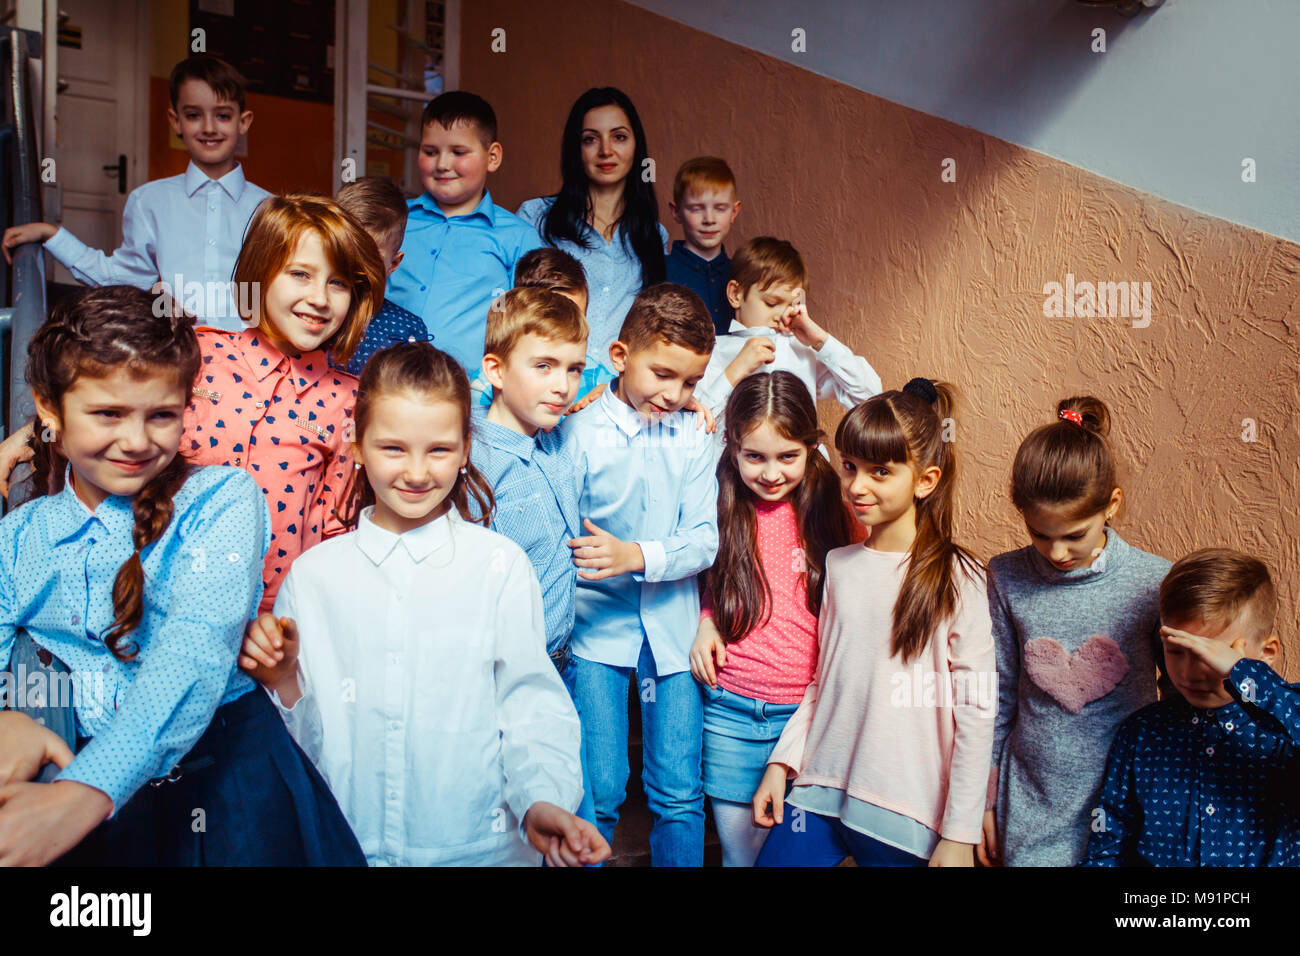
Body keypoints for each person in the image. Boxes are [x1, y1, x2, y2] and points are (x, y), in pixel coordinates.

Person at [0, 285, 363, 866]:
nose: (137, 440)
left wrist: (84, 793)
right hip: (81, 791)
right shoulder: (16, 540)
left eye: (162, 414)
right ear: (49, 408)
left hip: (227, 784)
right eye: (108, 414)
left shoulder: (221, 499)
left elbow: (192, 654)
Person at [238, 342, 608, 866]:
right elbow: (311, 744)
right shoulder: (316, 576)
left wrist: (541, 800)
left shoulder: (498, 565)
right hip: (349, 846)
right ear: (359, 447)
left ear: (464, 451)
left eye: (438, 449)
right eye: (393, 448)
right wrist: (284, 681)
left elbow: (530, 704)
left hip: (479, 851)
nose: (416, 472)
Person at [0, 194, 385, 615]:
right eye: (300, 274)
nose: (320, 299)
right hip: (148, 600)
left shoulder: (350, 401)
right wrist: (27, 436)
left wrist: (293, 621)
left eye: (339, 283)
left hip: (269, 616)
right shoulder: (199, 352)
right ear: (262, 272)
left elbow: (334, 528)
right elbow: (111, 404)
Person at [752, 379, 995, 867]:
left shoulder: (958, 576)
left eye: (880, 471)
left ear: (925, 481)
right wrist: (783, 761)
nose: (857, 486)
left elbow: (976, 710)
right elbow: (825, 679)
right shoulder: (839, 565)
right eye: (850, 467)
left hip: (905, 808)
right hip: (820, 790)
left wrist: (961, 832)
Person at [559, 283, 719, 866]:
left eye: (692, 383)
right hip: (596, 633)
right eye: (663, 374)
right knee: (598, 790)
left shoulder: (697, 435)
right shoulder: (575, 433)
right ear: (620, 357)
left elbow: (704, 538)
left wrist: (637, 556)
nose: (676, 394)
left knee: (678, 793)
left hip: (672, 637)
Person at [981, 397, 1171, 867]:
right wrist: (982, 798)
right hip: (1031, 801)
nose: (1057, 553)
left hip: (1127, 797)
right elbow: (998, 692)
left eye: (1074, 535)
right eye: (1040, 534)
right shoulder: (1005, 576)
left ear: (1112, 505)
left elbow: (1180, 697)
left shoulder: (1153, 582)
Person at [689, 371, 856, 866]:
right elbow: (697, 575)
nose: (771, 473)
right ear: (732, 446)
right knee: (741, 859)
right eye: (754, 457)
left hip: (808, 718)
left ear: (811, 448)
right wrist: (705, 619)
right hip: (730, 711)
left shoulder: (833, 507)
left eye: (788, 456)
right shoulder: (716, 499)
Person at [1, 55, 270, 330]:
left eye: (223, 115)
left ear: (244, 122)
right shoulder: (148, 202)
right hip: (179, 355)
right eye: (193, 115)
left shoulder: (270, 209)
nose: (209, 128)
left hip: (252, 361)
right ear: (175, 121)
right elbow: (122, 278)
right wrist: (53, 235)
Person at [1082, 549, 1296, 866]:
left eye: (1212, 656)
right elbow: (1108, 841)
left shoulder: (1285, 724)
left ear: (1267, 652)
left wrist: (1241, 672)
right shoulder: (1141, 734)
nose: (1191, 672)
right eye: (1178, 651)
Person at [470, 286, 594, 823]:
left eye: (573, 369)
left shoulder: (562, 440)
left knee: (563, 816)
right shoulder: (472, 456)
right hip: (496, 678)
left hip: (563, 666)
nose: (562, 385)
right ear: (495, 370)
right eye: (543, 366)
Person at [518, 87, 669, 383]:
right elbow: (515, 313)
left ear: (636, 146)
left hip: (616, 397)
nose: (605, 150)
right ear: (576, 149)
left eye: (619, 137)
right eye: (590, 139)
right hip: (547, 386)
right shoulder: (535, 217)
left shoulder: (653, 235)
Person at [386, 91, 543, 373]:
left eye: (458, 152)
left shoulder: (518, 237)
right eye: (430, 152)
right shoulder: (394, 219)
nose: (443, 164)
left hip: (467, 393)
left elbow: (530, 325)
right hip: (381, 379)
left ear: (492, 157)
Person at [692, 237, 881, 434]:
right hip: (737, 462)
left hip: (802, 463)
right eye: (771, 303)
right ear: (735, 294)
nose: (782, 315)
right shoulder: (712, 351)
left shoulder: (801, 352)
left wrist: (820, 341)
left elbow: (870, 397)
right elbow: (695, 426)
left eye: (792, 305)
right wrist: (735, 371)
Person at [334, 176, 431, 376]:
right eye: (346, 250)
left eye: (370, 257)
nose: (354, 265)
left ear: (393, 264)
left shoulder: (407, 331)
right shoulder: (313, 312)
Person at [666, 157, 742, 334]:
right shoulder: (659, 271)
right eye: (696, 208)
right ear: (676, 212)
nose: (709, 219)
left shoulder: (742, 274)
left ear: (734, 211)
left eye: (720, 208)